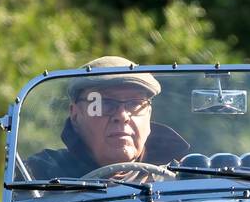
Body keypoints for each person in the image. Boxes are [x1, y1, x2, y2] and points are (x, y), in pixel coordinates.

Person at [23, 56, 189, 181]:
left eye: (134, 104)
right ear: (75, 114)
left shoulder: (185, 174)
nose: (122, 116)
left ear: (149, 114)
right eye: (103, 104)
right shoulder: (38, 176)